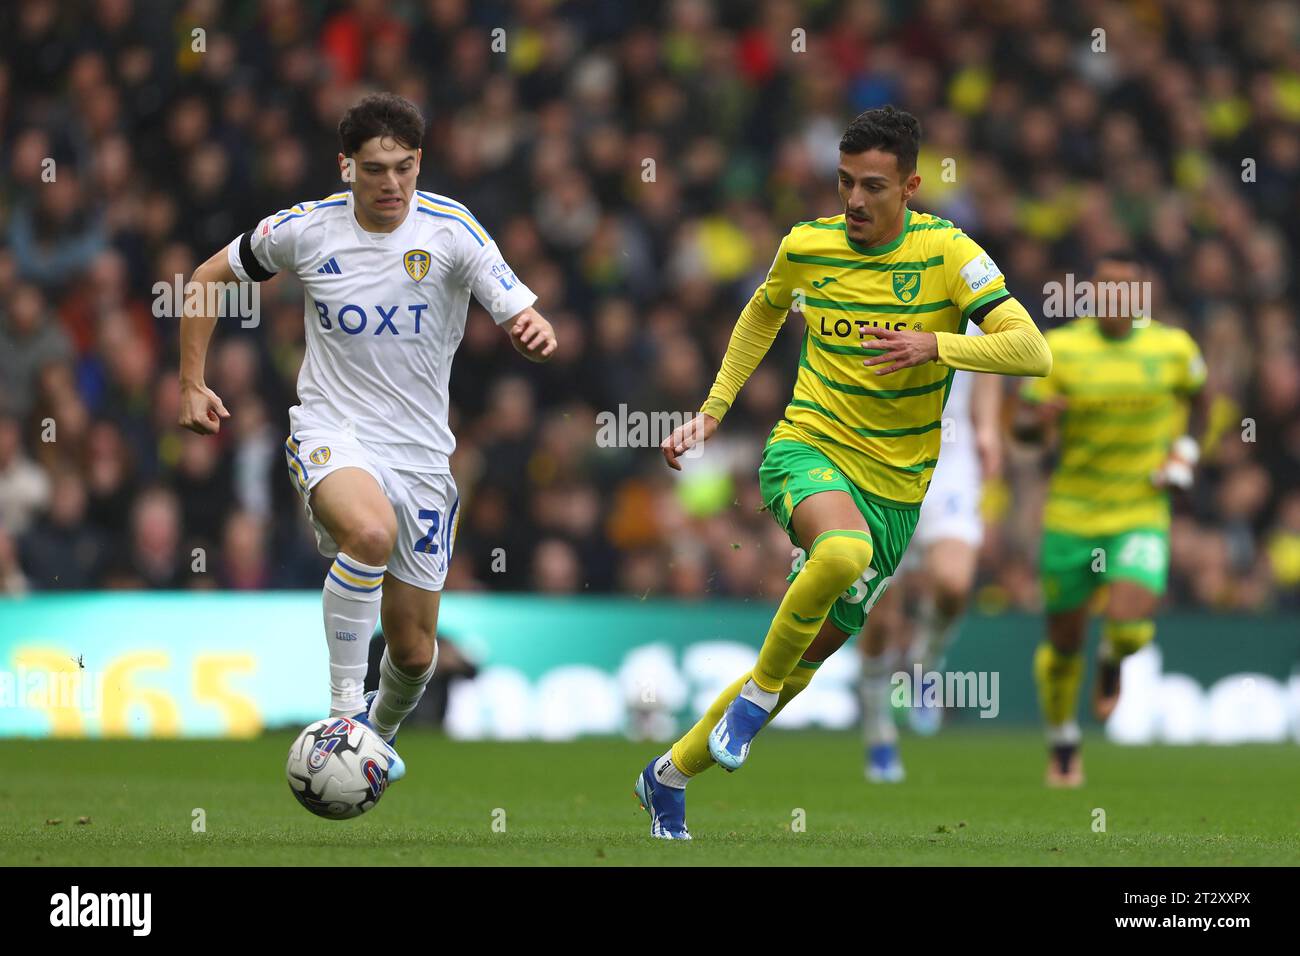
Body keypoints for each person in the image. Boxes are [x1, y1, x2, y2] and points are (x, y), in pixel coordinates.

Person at [635, 106, 1051, 839]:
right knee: (840, 553)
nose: (854, 201)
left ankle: (667, 775)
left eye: (872, 187)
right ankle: (751, 704)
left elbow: (1031, 351)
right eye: (844, 183)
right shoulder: (806, 247)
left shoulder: (952, 255)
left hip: (897, 492)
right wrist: (712, 409)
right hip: (808, 447)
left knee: (804, 662)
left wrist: (937, 345)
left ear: (911, 185)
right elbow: (763, 313)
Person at [178, 93, 556, 783]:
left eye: (404, 168)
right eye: (375, 169)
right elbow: (206, 279)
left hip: (421, 457)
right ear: (345, 166)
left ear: (421, 163)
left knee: (414, 652)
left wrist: (534, 332)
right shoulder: (304, 231)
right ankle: (343, 717)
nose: (391, 184)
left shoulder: (452, 231)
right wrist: (191, 382)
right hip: (332, 431)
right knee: (370, 534)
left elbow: (523, 313)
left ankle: (373, 744)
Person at [1015, 251, 1206, 787]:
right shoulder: (1060, 351)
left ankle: (1114, 657)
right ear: (1090, 294)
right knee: (1063, 642)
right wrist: (1038, 422)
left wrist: (1184, 453)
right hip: (1072, 515)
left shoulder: (1172, 349)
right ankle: (1062, 741)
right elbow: (1023, 430)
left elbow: (1205, 399)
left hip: (1139, 511)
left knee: (1128, 623)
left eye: (1126, 288)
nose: (1114, 298)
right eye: (1104, 288)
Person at [859, 362, 1001, 782]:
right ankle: (877, 728)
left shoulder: (972, 299)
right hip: (882, 461)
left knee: (954, 584)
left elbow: (988, 360)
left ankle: (925, 660)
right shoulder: (877, 298)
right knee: (880, 611)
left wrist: (989, 428)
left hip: (952, 463)